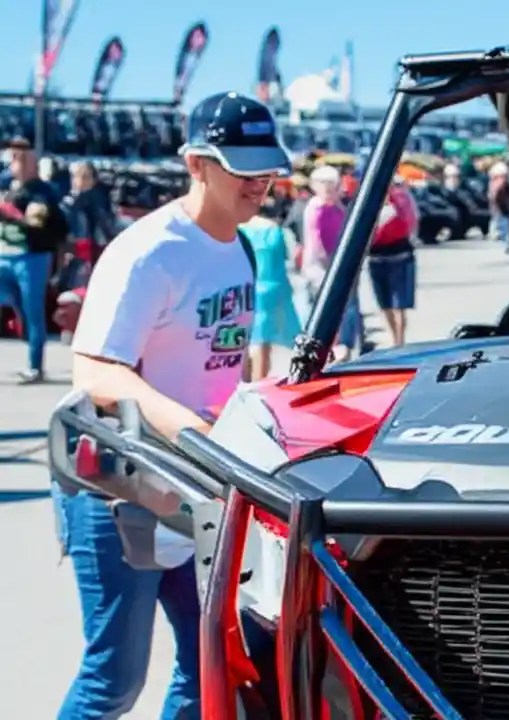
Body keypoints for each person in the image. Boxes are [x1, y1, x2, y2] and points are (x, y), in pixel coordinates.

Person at [57, 91, 291, 719]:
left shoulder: (240, 247)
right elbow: (95, 372)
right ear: (196, 164)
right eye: (243, 170)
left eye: (267, 170)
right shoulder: (148, 252)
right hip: (119, 486)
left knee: (210, 662)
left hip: (198, 486)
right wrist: (192, 431)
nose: (259, 183)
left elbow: (219, 358)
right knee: (113, 680)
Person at [0, 137, 69, 384]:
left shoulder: (42, 191)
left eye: (22, 157)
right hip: (4, 254)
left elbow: (41, 221)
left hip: (32, 257)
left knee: (32, 310)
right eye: (13, 156)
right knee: (20, 308)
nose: (16, 161)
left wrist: (13, 214)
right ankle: (27, 338)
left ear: (32, 161)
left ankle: (35, 366)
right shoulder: (5, 184)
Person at [300, 165, 361, 361]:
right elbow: (317, 241)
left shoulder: (338, 208)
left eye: (332, 184)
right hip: (322, 270)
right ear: (314, 186)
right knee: (326, 309)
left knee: (346, 309)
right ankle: (329, 348)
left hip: (339, 268)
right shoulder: (316, 208)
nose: (328, 188)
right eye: (323, 183)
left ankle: (342, 346)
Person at [241, 198, 301, 380]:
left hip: (247, 287)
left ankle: (246, 379)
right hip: (272, 288)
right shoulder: (273, 229)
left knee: (245, 339)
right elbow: (283, 258)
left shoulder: (240, 228)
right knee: (263, 340)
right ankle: (259, 380)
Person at [368, 178, 419, 348]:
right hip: (377, 256)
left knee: (399, 304)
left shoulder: (401, 199)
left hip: (400, 255)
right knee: (385, 304)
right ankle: (394, 337)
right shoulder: (369, 202)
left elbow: (411, 222)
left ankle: (399, 340)